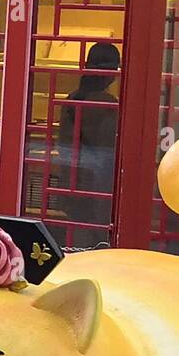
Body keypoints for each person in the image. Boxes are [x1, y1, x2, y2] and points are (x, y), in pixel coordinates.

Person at [57, 42, 120, 248]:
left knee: (75, 242)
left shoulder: (73, 98)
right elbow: (112, 146)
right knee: (99, 244)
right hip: (100, 185)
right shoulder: (108, 104)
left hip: (73, 180)